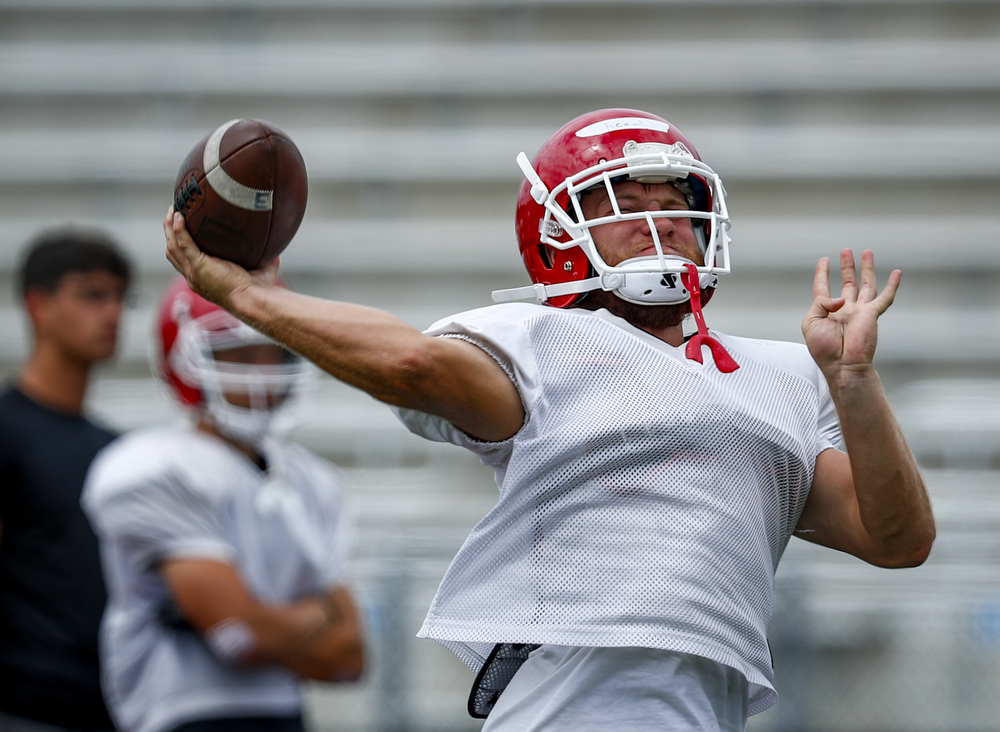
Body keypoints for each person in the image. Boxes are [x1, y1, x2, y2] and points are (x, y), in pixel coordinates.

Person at [162, 108, 935, 731]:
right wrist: (249, 295)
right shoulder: (539, 336)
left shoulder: (788, 371)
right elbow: (414, 366)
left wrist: (855, 381)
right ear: (559, 232)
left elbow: (897, 539)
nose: (658, 224)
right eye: (626, 207)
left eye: (675, 207)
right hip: (573, 706)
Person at [81, 277, 364, 732]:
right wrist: (318, 615)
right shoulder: (150, 468)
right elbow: (242, 636)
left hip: (285, 715)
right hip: (181, 718)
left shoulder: (315, 481)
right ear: (185, 358)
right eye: (238, 354)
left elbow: (351, 655)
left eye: (275, 352)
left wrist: (267, 625)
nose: (262, 373)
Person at [0, 226, 132, 732]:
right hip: (25, 709)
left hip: (109, 708)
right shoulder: (6, 431)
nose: (113, 312)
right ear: (40, 306)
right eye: (92, 295)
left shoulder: (115, 449)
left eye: (120, 296)